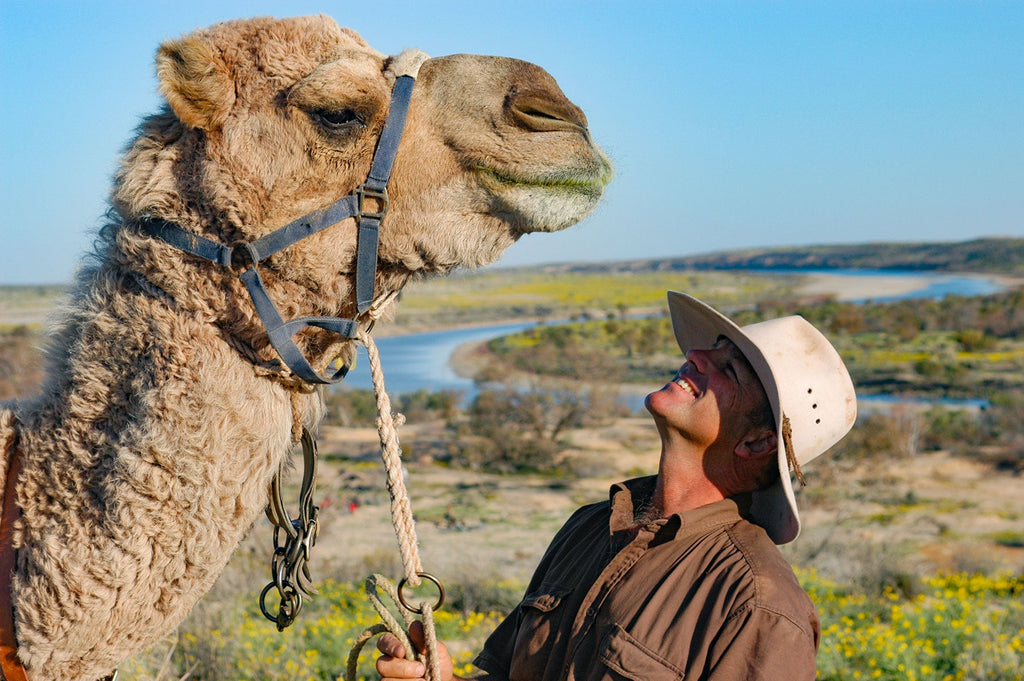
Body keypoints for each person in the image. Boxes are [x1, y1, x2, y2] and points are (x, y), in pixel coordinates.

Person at [376, 291, 857, 681]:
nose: (694, 355)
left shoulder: (757, 604)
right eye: (714, 349)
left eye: (728, 369)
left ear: (755, 441)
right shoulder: (589, 528)